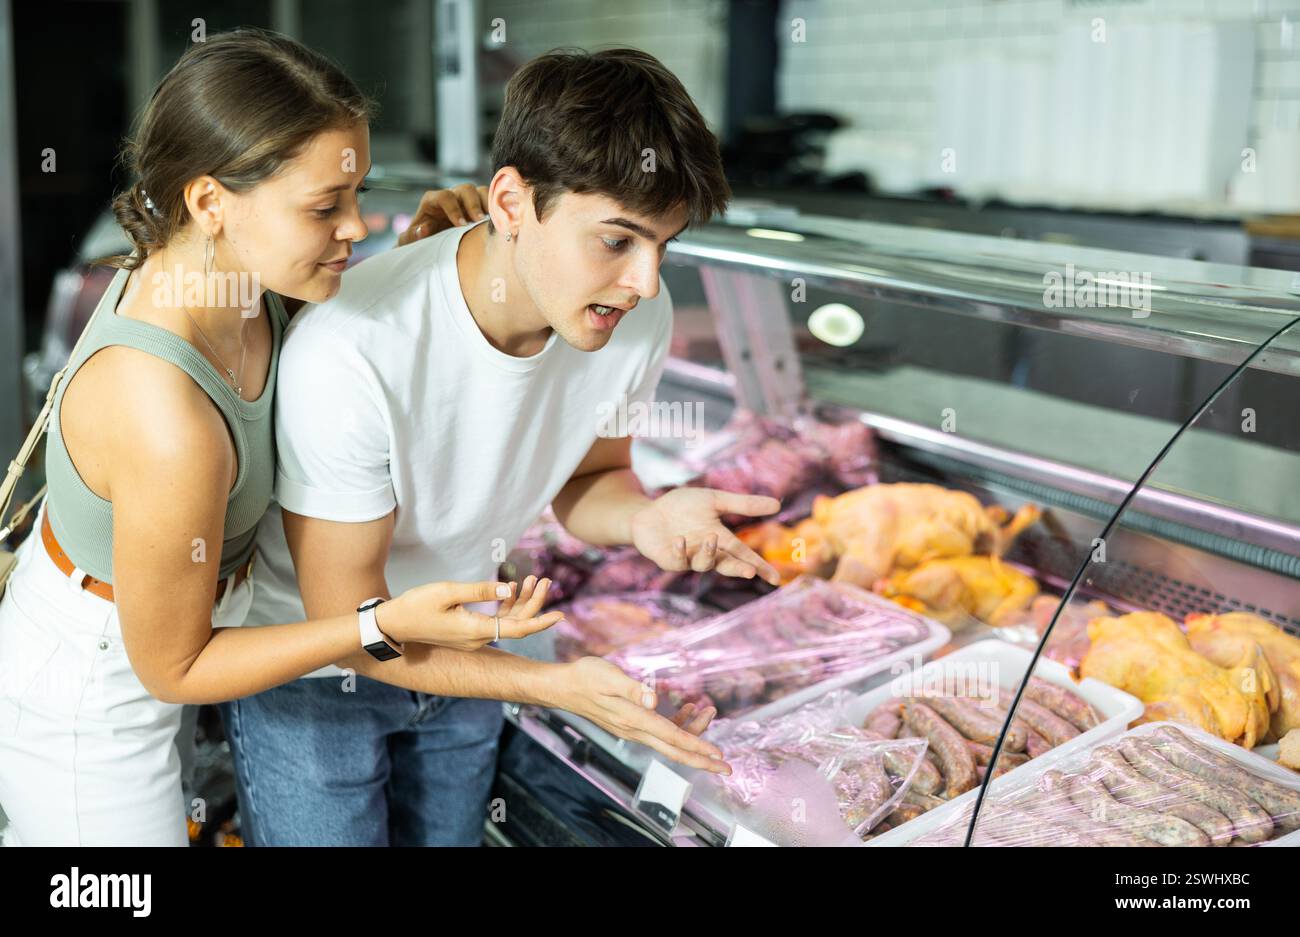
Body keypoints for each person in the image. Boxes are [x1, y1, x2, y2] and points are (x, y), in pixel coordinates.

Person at [0, 30, 721, 848]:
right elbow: (175, 664)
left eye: (356, 194)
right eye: (323, 208)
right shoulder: (163, 409)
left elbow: (406, 319)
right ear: (210, 204)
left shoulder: (239, 283)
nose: (354, 227)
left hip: (201, 625)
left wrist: (444, 242)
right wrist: (384, 623)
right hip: (97, 676)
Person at [224, 47, 782, 847]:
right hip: (321, 679)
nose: (649, 283)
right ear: (514, 201)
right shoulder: (354, 348)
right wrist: (557, 686)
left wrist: (646, 519)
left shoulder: (633, 317)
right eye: (618, 240)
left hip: (469, 651)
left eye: (665, 244)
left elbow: (590, 477)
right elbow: (354, 623)